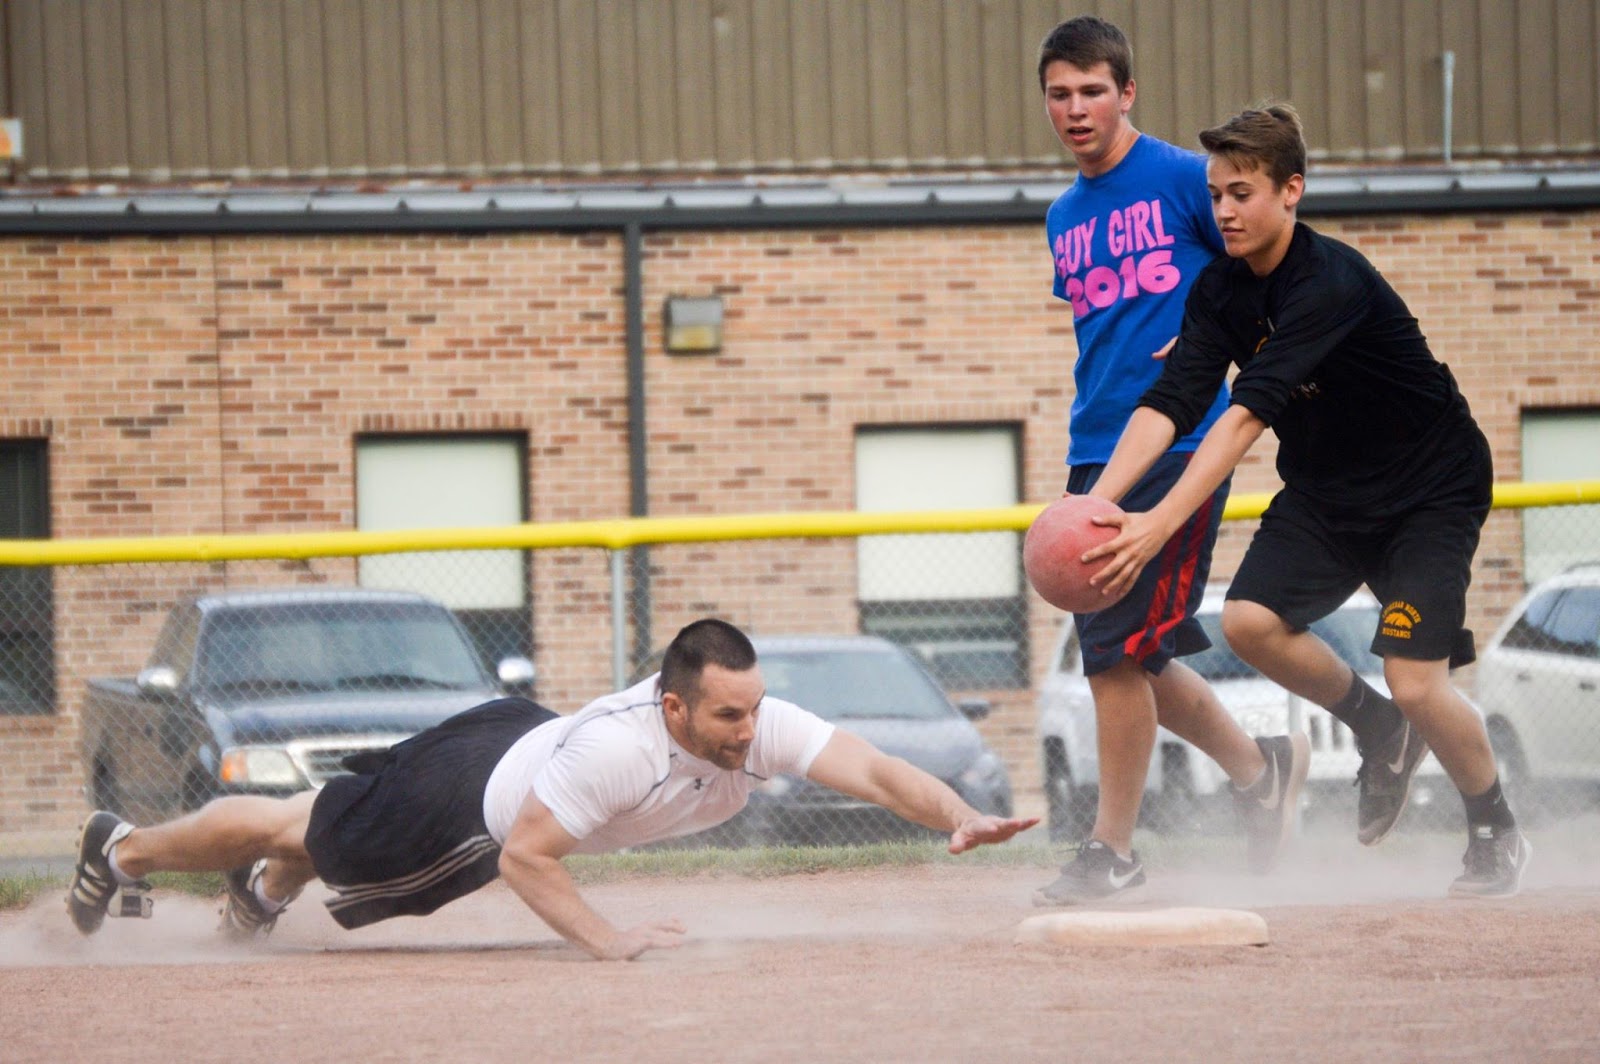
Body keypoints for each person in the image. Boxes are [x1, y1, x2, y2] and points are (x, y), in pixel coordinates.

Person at [1080, 103, 1529, 897]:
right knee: (1251, 623)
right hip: (1327, 490)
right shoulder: (1220, 289)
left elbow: (1244, 417)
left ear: (1292, 191)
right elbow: (1176, 398)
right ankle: (1376, 726)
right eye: (1216, 193)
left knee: (1419, 681)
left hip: (1429, 489)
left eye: (1242, 192)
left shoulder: (1330, 281)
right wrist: (1099, 503)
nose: (1224, 210)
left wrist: (1156, 525)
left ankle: (1493, 825)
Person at [66, 618, 1038, 959]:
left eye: (755, 709)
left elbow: (870, 768)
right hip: (461, 806)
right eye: (729, 716)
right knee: (302, 825)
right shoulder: (624, 750)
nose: (752, 731)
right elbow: (529, 855)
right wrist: (606, 941)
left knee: (311, 834)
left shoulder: (752, 723)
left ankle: (263, 885)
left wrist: (958, 812)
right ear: (673, 709)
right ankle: (125, 847)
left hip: (512, 747)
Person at [1031, 15, 1309, 907]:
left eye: (1093, 92)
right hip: (1094, 451)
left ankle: (1112, 850)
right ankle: (1258, 773)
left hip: (1181, 447)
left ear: (1128, 94)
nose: (1076, 109)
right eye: (1060, 94)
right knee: (1137, 654)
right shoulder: (1064, 214)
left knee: (1113, 659)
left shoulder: (1188, 180)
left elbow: (1274, 244)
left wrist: (1222, 336)